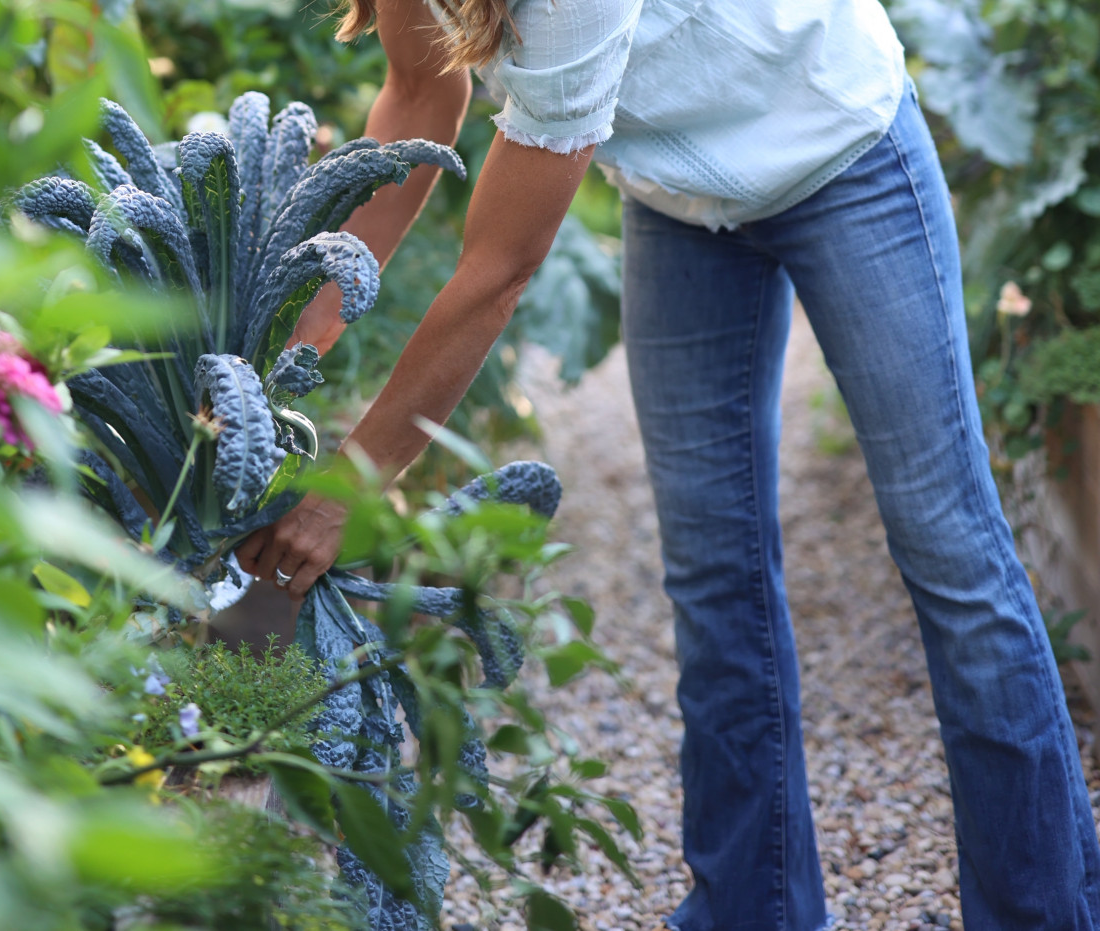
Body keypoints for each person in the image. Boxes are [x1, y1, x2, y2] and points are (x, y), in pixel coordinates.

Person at [235, 0, 1100, 927]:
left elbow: (500, 269)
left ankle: (1041, 911)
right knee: (711, 566)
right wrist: (305, 324)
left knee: (950, 550)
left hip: (835, 143)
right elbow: (419, 87)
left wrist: (350, 487)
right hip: (678, 196)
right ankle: (749, 911)